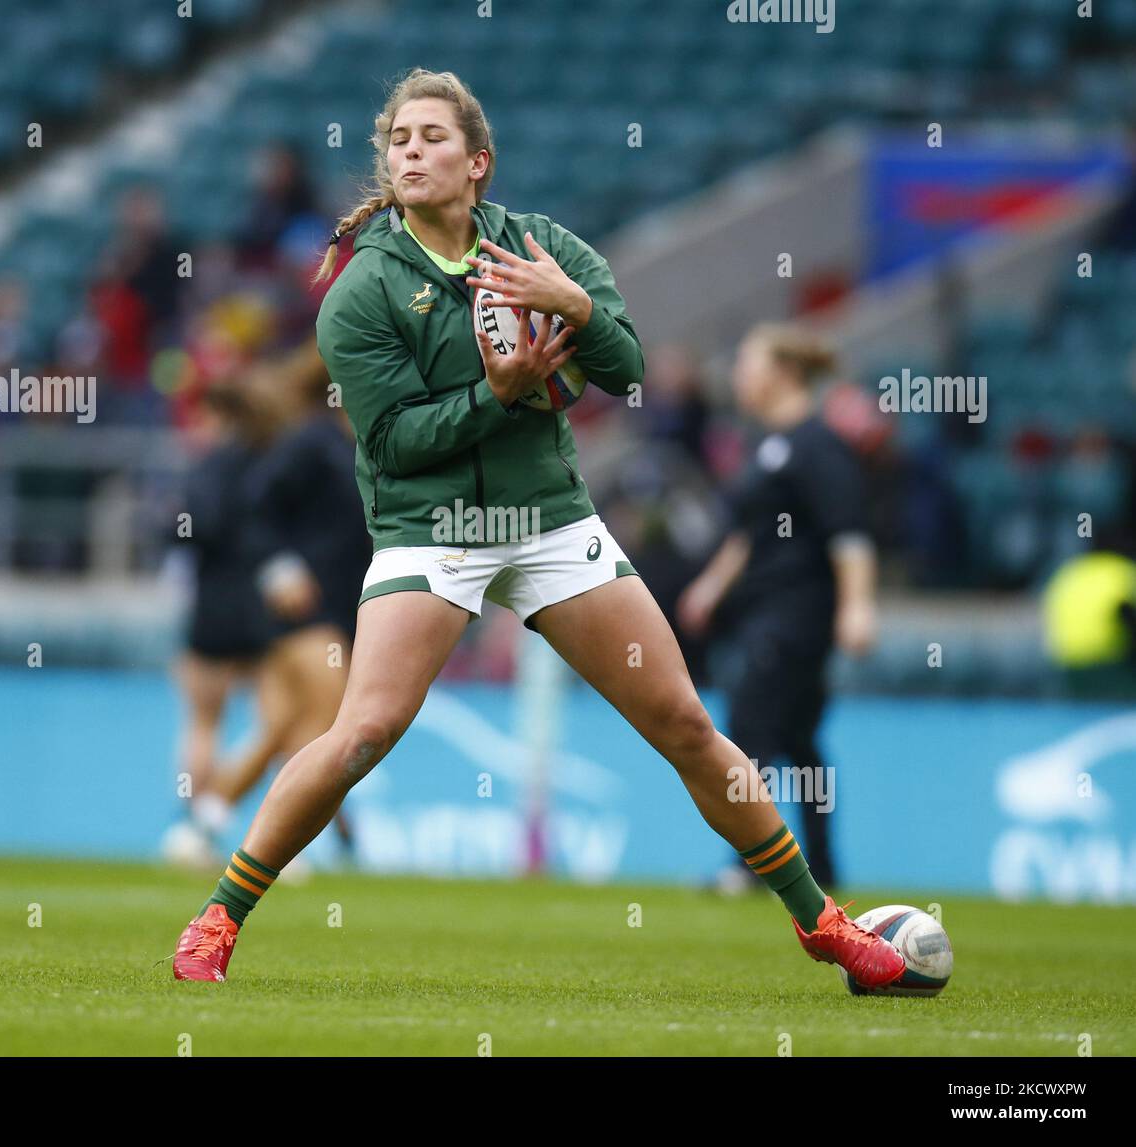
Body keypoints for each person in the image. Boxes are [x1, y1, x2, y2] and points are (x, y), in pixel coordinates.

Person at [170, 67, 903, 990]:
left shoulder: (542, 246)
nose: (410, 152)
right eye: (398, 140)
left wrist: (577, 309)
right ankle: (218, 919)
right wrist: (497, 396)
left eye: (432, 138)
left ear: (478, 161)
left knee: (681, 719)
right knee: (362, 731)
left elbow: (630, 367)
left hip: (550, 520)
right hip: (429, 526)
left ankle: (824, 926)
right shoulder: (359, 295)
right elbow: (395, 445)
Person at [677, 324, 879, 892]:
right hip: (764, 606)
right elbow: (751, 533)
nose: (739, 373)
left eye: (748, 361)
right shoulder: (768, 446)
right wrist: (711, 587)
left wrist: (858, 606)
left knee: (750, 727)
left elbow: (850, 532)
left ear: (784, 373)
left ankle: (750, 866)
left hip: (797, 612)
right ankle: (824, 867)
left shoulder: (817, 445)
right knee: (798, 740)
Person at [163, 378, 358, 872]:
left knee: (285, 729)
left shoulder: (358, 441)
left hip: (343, 608)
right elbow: (255, 507)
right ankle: (277, 845)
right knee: (321, 726)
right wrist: (280, 569)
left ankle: (205, 823)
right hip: (307, 612)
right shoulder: (314, 442)